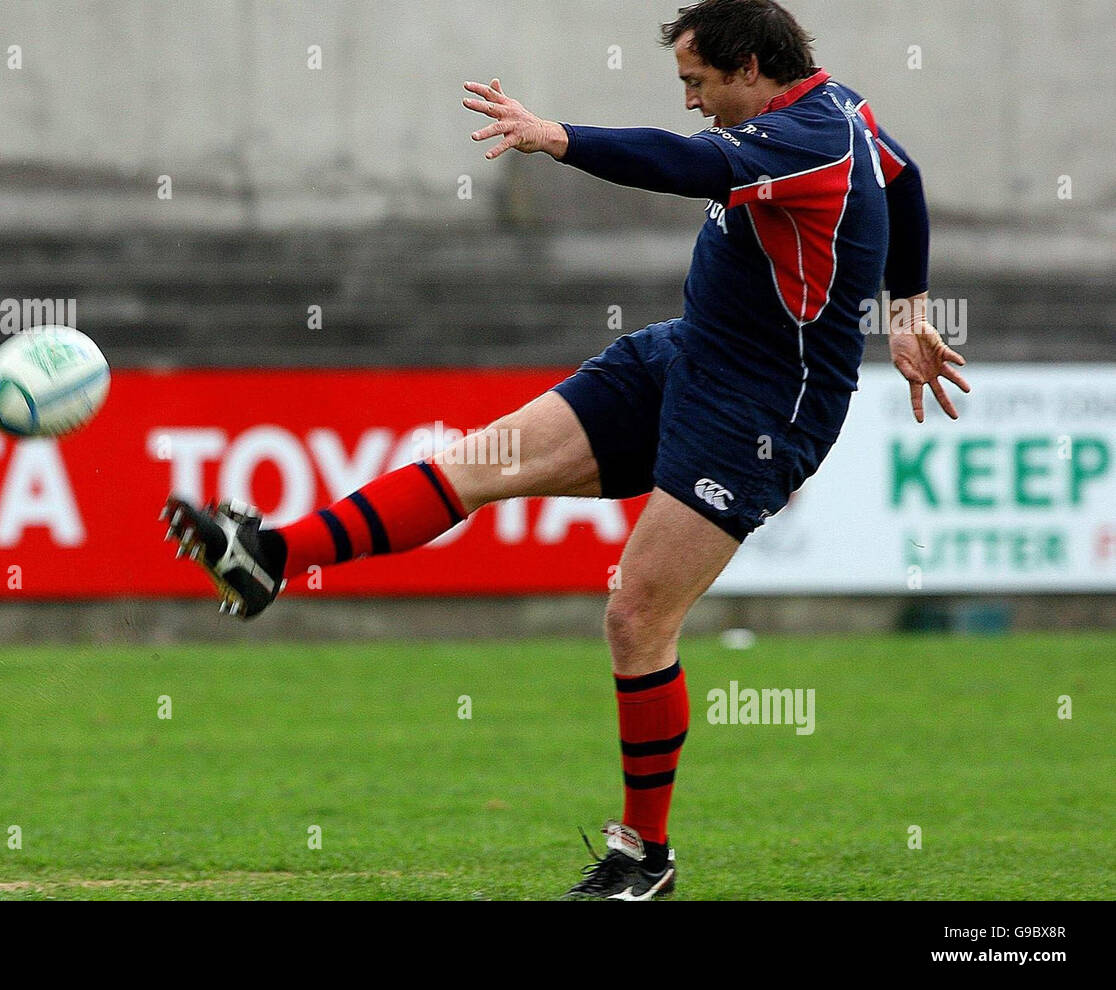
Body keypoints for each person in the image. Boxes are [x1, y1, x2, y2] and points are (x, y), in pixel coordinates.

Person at [160, 0, 969, 900]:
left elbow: (684, 163)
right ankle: (272, 557)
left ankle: (644, 858)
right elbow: (905, 178)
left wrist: (556, 137)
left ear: (748, 67)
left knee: (635, 617)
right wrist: (907, 314)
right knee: (477, 461)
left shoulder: (808, 136)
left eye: (697, 82)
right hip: (685, 354)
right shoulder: (843, 113)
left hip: (763, 405)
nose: (693, 99)